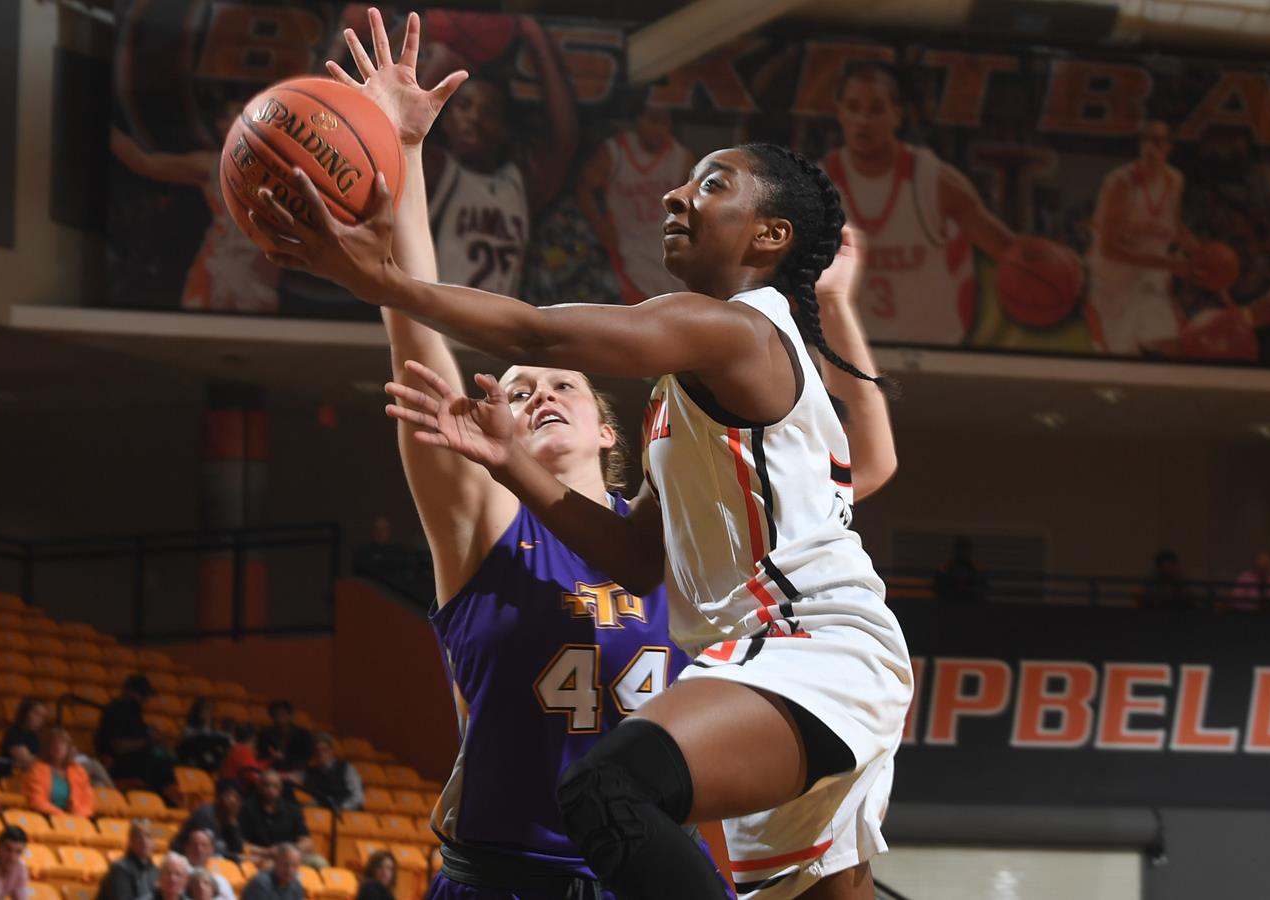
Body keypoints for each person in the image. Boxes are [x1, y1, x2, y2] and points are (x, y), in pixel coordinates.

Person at [253, 15, 903, 899]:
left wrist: (382, 281)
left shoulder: (731, 330)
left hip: (805, 651)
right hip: (733, 698)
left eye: (711, 184)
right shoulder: (683, 424)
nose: (677, 196)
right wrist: (513, 466)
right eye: (516, 392)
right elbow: (639, 556)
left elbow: (535, 326)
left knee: (606, 784)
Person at [815, 64, 1021, 346]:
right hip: (854, 356)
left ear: (896, 115)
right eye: (853, 107)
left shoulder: (934, 179)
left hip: (934, 353)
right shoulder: (816, 185)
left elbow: (1007, 251)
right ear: (840, 112)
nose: (863, 120)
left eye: (876, 109)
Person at [413, 15, 576, 298]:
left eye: (488, 111)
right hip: (440, 326)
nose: (474, 118)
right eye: (464, 106)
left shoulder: (518, 186)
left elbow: (564, 139)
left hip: (496, 333)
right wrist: (441, 66)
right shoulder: (439, 172)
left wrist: (535, 36)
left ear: (503, 130)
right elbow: (403, 133)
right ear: (446, 121)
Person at [108, 104, 281, 313]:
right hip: (216, 272)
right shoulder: (211, 165)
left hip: (257, 279)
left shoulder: (283, 170)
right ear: (224, 127)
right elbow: (142, 162)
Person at [1085, 120, 1205, 356]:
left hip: (1150, 277)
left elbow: (1172, 223)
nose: (1150, 146)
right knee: (1119, 361)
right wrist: (1170, 264)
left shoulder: (1175, 180)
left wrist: (1199, 251)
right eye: (1145, 140)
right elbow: (1108, 249)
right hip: (1113, 278)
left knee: (1172, 345)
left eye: (1157, 141)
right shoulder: (1120, 182)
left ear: (1168, 147)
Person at [576, 103, 694, 304]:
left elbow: (694, 206)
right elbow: (583, 188)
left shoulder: (682, 157)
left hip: (665, 242)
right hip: (626, 242)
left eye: (664, 123)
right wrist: (599, 224)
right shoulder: (615, 151)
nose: (658, 129)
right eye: (652, 121)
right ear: (637, 119)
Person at [95, 676, 174, 797]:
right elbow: (118, 746)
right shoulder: (115, 711)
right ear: (129, 691)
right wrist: (148, 741)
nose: (145, 700)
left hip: (140, 763)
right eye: (142, 696)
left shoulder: (135, 713)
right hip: (121, 765)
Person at [237, 772, 312, 863]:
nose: (270, 789)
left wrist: (288, 851)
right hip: (261, 856)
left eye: (275, 786)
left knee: (319, 862)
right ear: (259, 787)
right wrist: (267, 852)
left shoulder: (292, 810)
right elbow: (241, 843)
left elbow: (306, 841)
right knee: (270, 865)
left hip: (290, 855)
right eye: (266, 785)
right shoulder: (246, 809)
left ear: (281, 789)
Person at [23, 728, 93, 818]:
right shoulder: (37, 770)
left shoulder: (79, 771)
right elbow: (36, 800)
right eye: (53, 744)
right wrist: (62, 816)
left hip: (76, 819)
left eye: (62, 743)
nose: (58, 747)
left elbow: (87, 802)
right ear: (47, 748)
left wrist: (78, 816)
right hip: (46, 816)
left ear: (68, 748)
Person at [173, 781, 245, 862]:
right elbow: (204, 849)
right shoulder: (204, 815)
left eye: (237, 798)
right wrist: (236, 857)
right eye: (229, 796)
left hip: (209, 862)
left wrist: (232, 822)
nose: (233, 802)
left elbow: (237, 850)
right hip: (184, 860)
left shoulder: (228, 819)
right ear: (218, 797)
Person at [297, 735, 361, 812]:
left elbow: (357, 797)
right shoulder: (309, 771)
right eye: (317, 750)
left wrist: (341, 807)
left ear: (331, 751)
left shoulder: (346, 768)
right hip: (318, 813)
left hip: (344, 812)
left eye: (324, 750)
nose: (320, 754)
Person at [96, 819, 157, 900]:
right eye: (139, 837)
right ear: (131, 842)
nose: (144, 841)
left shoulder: (155, 870)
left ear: (153, 842)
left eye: (148, 836)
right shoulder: (120, 869)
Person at [0, 698, 47, 781]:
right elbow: (26, 761)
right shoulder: (14, 733)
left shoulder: (35, 738)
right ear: (25, 713)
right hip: (10, 779)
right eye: (37, 714)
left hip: (29, 778)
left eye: (42, 717)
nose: (40, 720)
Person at [257, 703, 311, 775]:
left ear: (290, 715)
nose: (279, 718)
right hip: (273, 768)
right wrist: (272, 756)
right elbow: (261, 754)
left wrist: (285, 757)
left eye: (282, 714)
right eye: (276, 715)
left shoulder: (303, 734)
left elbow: (306, 756)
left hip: (296, 769)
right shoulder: (265, 734)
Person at [177, 700, 230, 773]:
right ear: (198, 712)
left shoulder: (216, 733)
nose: (208, 714)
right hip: (195, 764)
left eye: (211, 711)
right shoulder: (190, 731)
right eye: (205, 710)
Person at [179, 831, 235, 900]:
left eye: (204, 845)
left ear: (212, 849)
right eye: (194, 845)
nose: (199, 849)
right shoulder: (178, 874)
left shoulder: (221, 880)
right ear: (187, 847)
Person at [933, 537, 988, 605]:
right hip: (950, 606)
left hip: (970, 606)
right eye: (961, 550)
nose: (963, 553)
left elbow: (983, 590)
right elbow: (938, 589)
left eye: (965, 550)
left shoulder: (978, 571)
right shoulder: (944, 570)